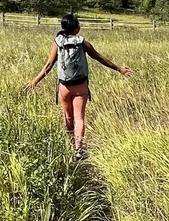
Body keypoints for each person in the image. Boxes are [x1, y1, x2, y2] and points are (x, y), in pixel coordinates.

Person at [26, 13, 131, 154]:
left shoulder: (57, 43)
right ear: (76, 29)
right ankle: (78, 148)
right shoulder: (82, 43)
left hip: (64, 87)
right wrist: (119, 69)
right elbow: (99, 58)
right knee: (79, 117)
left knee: (68, 117)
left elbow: (49, 65)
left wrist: (35, 81)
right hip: (81, 86)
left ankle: (69, 144)